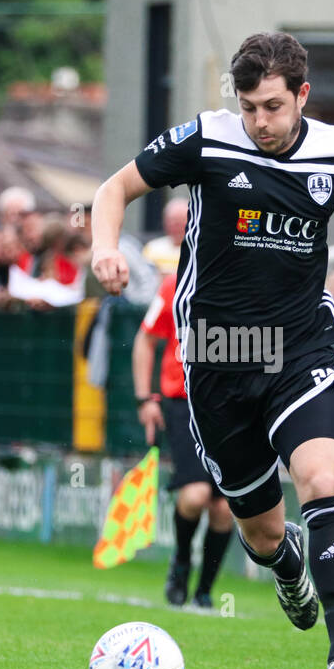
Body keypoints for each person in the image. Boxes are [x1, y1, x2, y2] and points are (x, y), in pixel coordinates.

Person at [90, 31, 334, 669]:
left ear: (302, 96)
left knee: (321, 475)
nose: (261, 123)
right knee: (259, 532)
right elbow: (116, 188)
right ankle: (288, 566)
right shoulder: (206, 139)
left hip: (299, 347)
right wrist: (105, 247)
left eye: (274, 107)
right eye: (251, 107)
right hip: (217, 358)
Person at [133, 197, 234, 609]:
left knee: (226, 508)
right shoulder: (175, 284)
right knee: (194, 496)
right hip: (184, 402)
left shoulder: (244, 283)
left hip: (232, 405)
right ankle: (180, 562)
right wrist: (145, 397)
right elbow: (145, 337)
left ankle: (205, 590)